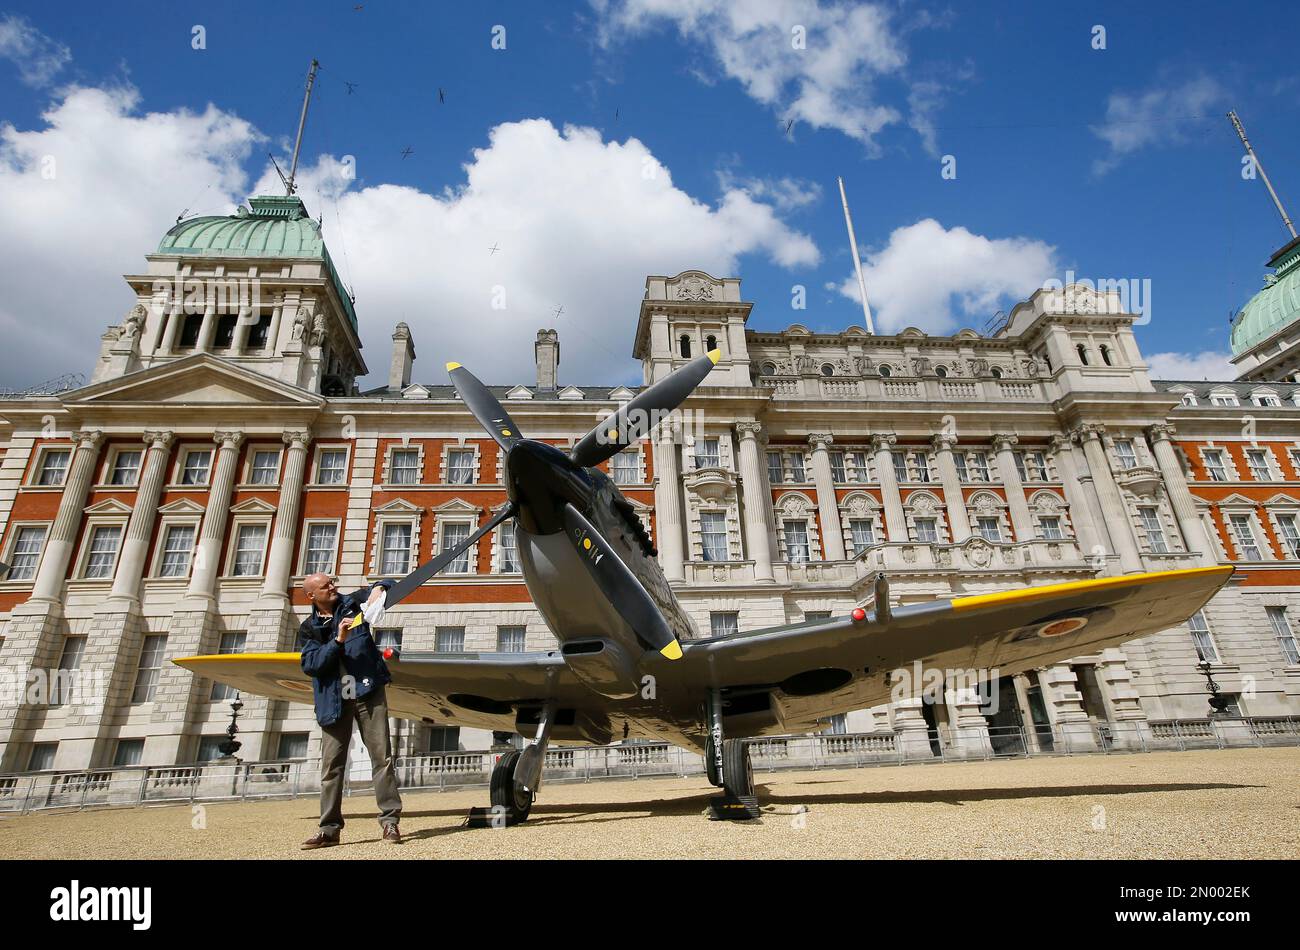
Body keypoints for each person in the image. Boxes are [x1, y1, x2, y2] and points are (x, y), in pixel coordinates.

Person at [297, 573, 403, 849]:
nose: (333, 587)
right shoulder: (308, 628)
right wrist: (338, 640)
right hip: (333, 700)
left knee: (382, 758)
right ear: (311, 595)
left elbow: (390, 584)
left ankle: (390, 821)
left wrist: (379, 589)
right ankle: (329, 829)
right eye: (326, 586)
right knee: (332, 766)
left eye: (332, 582)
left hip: (368, 692)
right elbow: (311, 665)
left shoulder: (353, 604)